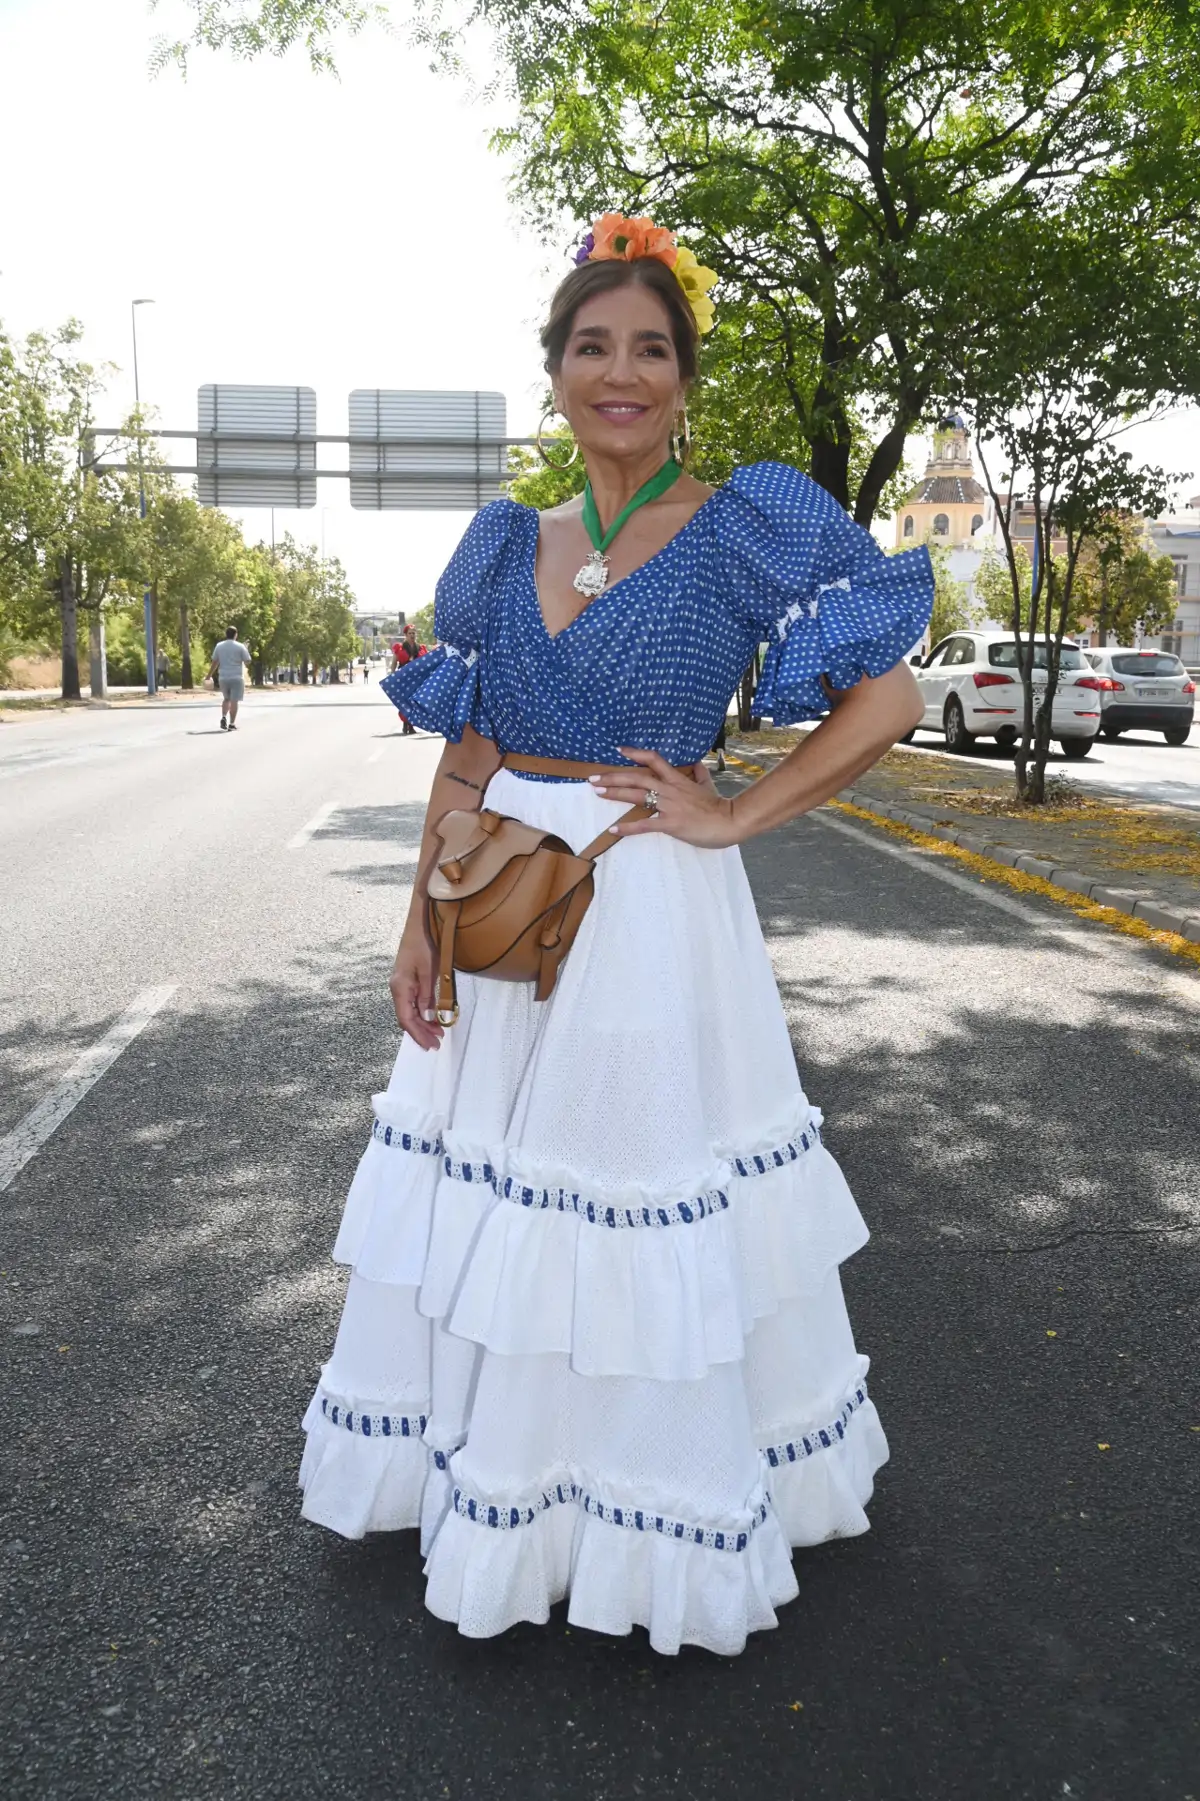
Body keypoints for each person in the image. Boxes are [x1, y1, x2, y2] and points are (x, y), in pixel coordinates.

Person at [299, 211, 932, 1656]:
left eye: (651, 348)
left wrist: (736, 814)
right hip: (499, 896)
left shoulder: (743, 519)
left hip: (647, 907)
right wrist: (418, 920)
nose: (622, 372)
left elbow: (886, 698)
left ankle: (630, 1510)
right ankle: (489, 1473)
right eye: (595, 347)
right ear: (558, 372)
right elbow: (466, 746)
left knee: (617, 1194)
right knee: (493, 1197)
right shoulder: (502, 540)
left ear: (683, 376)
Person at [208, 627, 251, 731]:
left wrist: (208, 675)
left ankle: (223, 716)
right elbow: (247, 661)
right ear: (235, 634)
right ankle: (231, 723)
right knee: (234, 701)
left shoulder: (219, 646)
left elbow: (215, 662)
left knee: (226, 699)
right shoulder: (240, 646)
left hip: (223, 677)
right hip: (236, 677)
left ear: (226, 634)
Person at [390, 623, 427, 734]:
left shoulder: (421, 648)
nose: (412, 635)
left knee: (414, 702)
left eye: (414, 633)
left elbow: (426, 663)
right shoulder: (399, 648)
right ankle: (406, 724)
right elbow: (394, 663)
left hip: (416, 678)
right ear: (405, 635)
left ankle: (410, 724)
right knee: (405, 701)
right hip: (403, 678)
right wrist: (393, 676)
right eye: (410, 633)